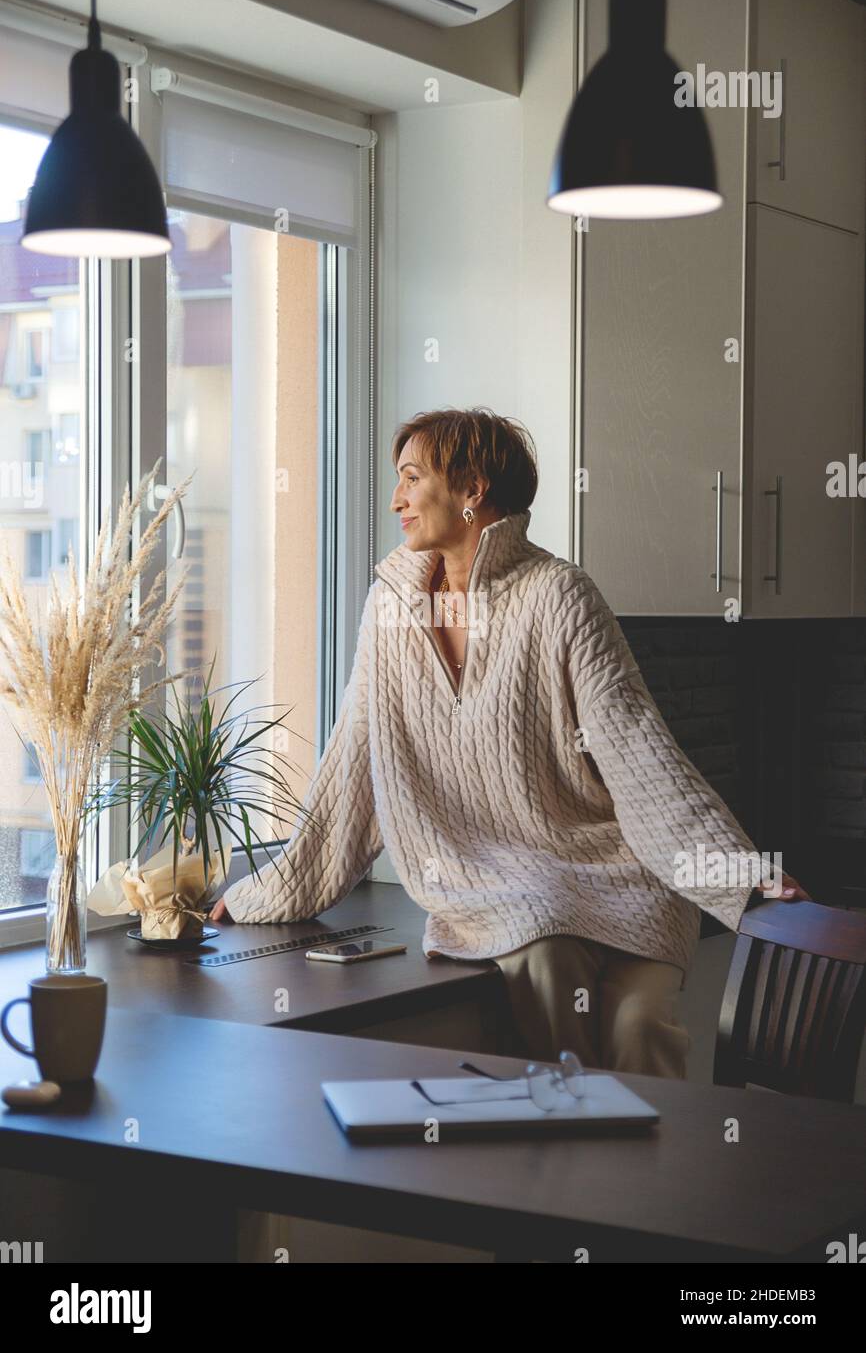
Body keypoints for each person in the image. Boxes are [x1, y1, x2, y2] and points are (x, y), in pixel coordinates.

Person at [210, 406, 810, 1077]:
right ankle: (576, 1167)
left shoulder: (560, 596)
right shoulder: (389, 613)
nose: (396, 499)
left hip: (621, 880)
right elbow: (351, 771)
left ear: (471, 491)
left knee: (641, 1032)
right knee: (545, 963)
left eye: (412, 478)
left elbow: (642, 756)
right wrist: (265, 893)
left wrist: (738, 873)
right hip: (506, 898)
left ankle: (648, 1179)